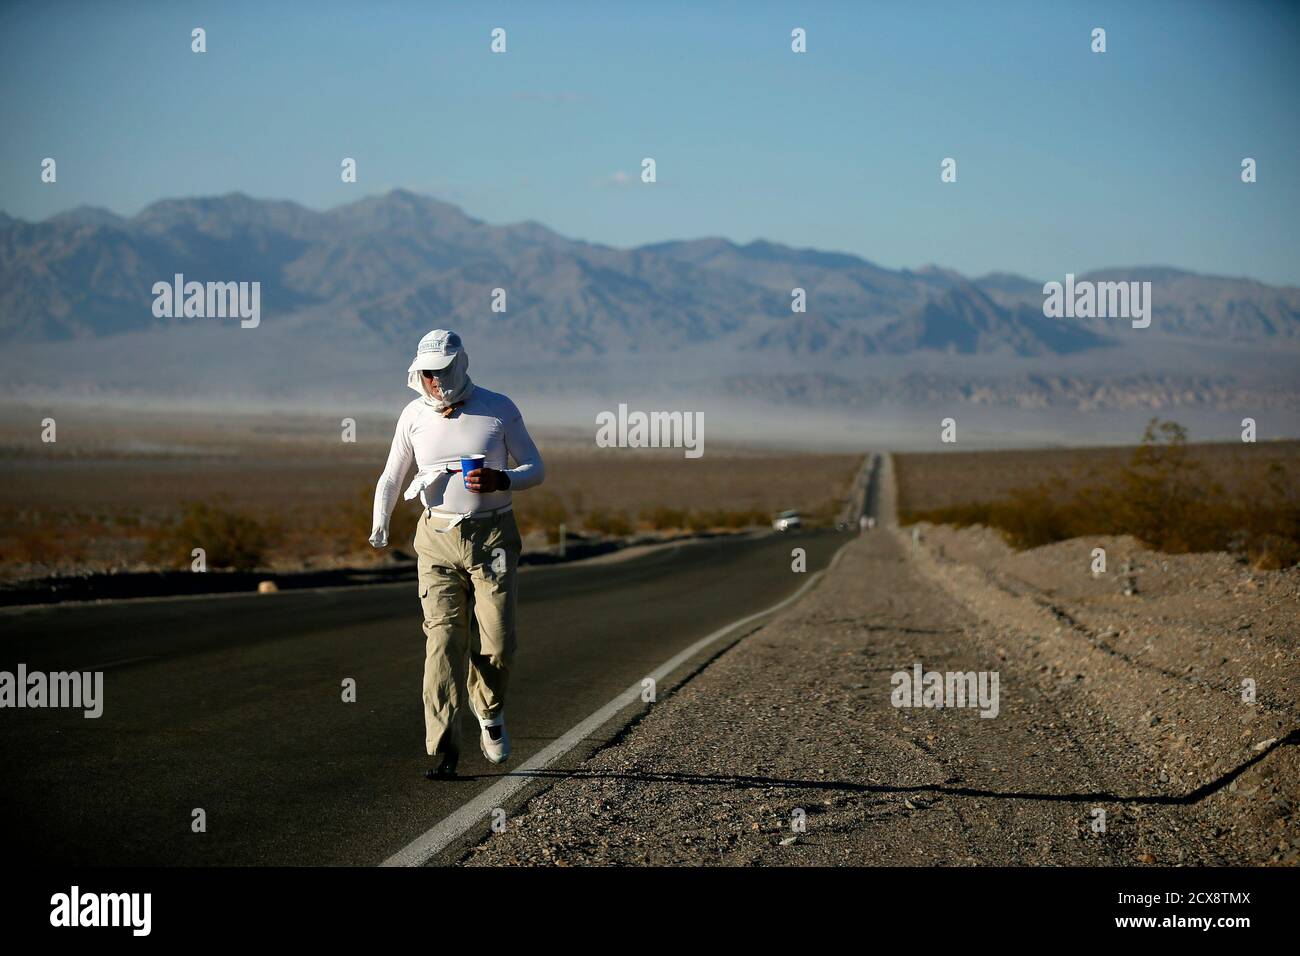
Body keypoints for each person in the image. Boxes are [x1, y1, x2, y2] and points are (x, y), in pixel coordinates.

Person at [370, 329, 545, 778]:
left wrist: (501, 480)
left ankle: (489, 712)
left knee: (498, 642)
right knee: (443, 639)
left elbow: (535, 468)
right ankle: (444, 747)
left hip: (493, 540)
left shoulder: (498, 408)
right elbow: (392, 476)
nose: (434, 380)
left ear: (461, 364)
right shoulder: (412, 416)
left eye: (443, 370)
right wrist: (381, 520)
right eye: (427, 372)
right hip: (435, 538)